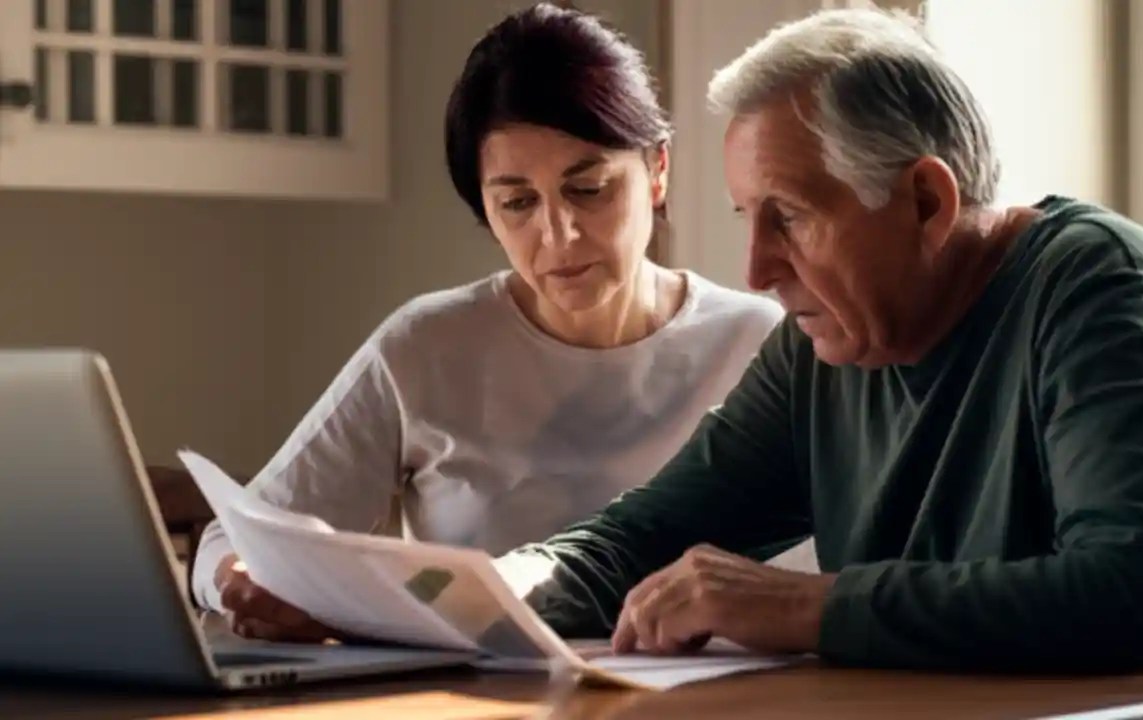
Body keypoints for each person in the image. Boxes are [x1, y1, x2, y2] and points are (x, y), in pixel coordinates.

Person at [498, 7, 1143, 672]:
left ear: (927, 203)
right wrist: (489, 591)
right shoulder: (827, 343)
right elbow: (645, 535)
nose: (758, 268)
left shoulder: (1108, 294)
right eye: (750, 219)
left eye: (791, 218)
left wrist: (810, 608)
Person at [190, 3, 785, 642]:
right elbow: (231, 537)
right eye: (517, 203)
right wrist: (242, 576)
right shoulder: (428, 346)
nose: (558, 234)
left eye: (589, 189)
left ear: (657, 170)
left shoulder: (766, 343)